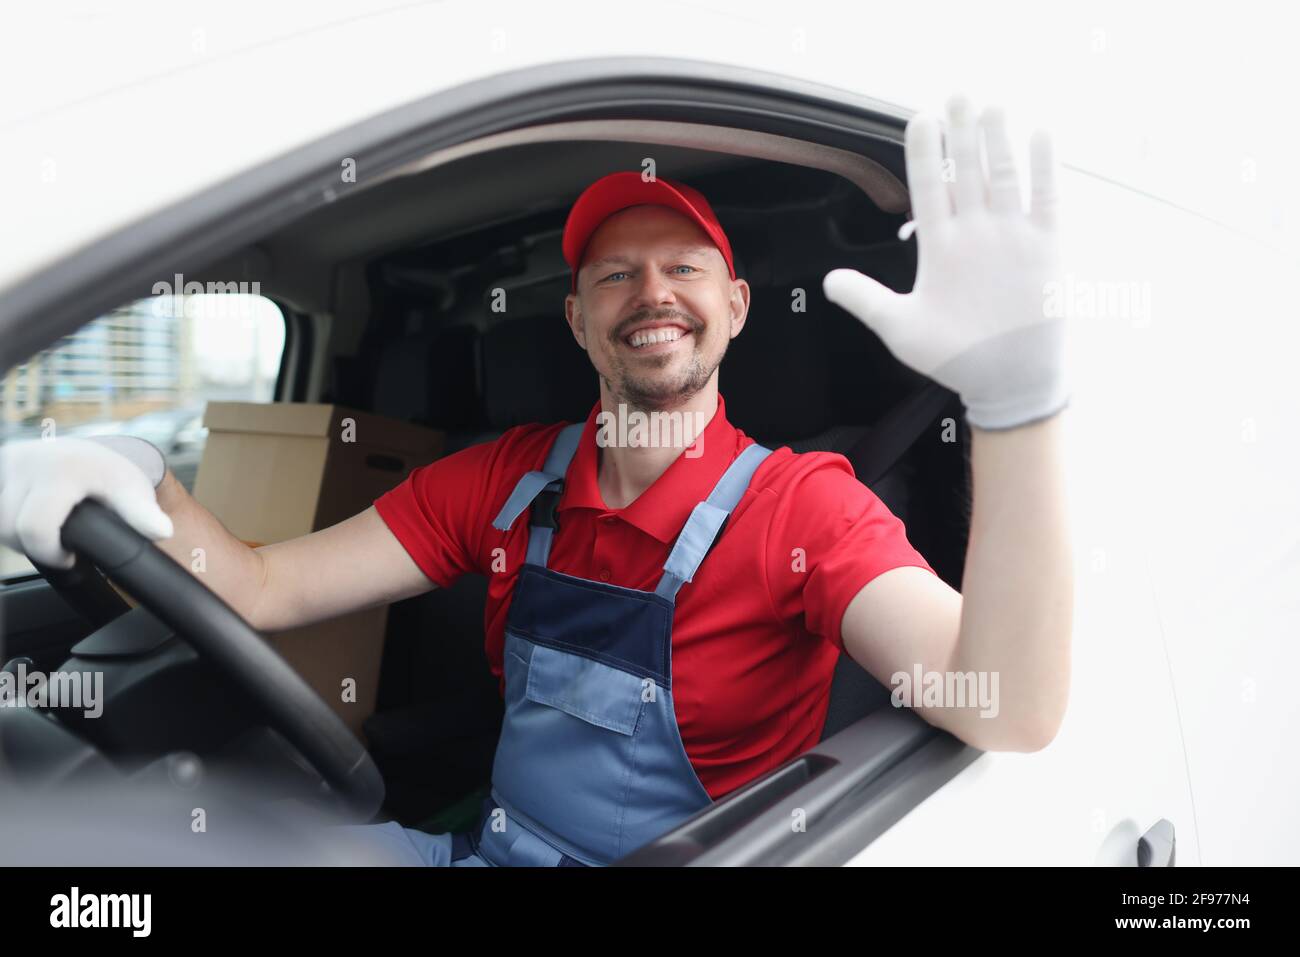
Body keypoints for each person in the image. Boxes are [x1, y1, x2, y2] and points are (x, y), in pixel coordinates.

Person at [0, 96, 1073, 866]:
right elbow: (264, 586)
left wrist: (1012, 401)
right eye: (613, 274)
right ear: (577, 319)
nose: (650, 292)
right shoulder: (506, 482)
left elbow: (1011, 707)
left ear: (735, 308)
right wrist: (136, 480)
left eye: (682, 268)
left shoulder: (805, 508)